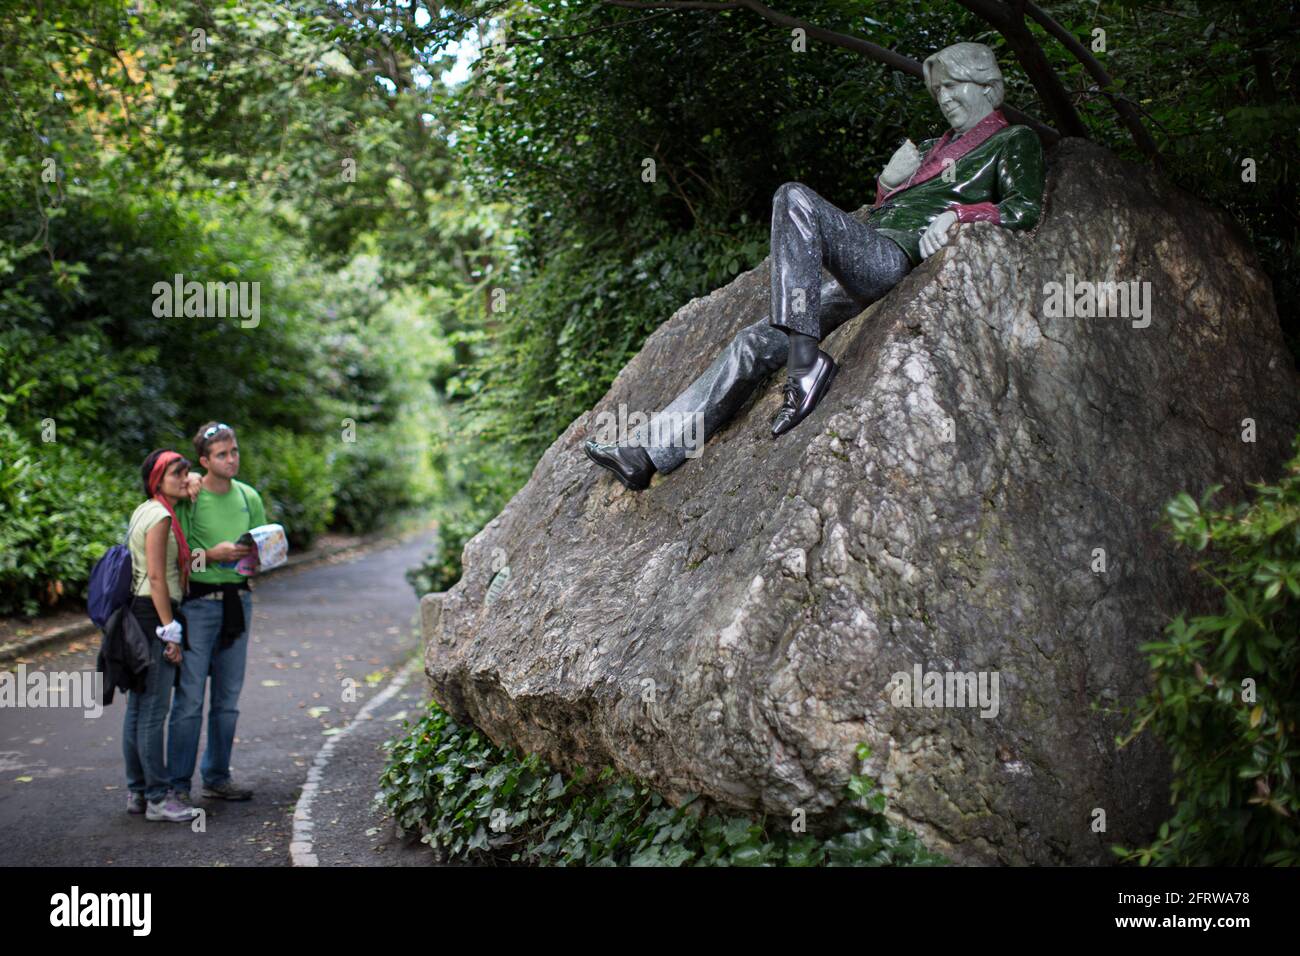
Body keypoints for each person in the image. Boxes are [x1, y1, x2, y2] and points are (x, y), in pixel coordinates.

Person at [583, 41, 1046, 490]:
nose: (944, 98)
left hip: (895, 260)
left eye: (954, 86)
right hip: (866, 264)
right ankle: (645, 454)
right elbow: (888, 208)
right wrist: (887, 183)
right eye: (938, 90)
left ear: (987, 86)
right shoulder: (930, 147)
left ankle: (806, 366)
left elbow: (1024, 208)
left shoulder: (1012, 140)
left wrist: (958, 214)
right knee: (752, 342)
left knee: (793, 196)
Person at [167, 421, 266, 804]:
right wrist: (212, 555)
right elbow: (177, 557)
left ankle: (217, 775)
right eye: (222, 455)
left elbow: (259, 546)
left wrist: (257, 558)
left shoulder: (248, 497)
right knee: (190, 699)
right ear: (204, 461)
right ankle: (177, 784)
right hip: (198, 605)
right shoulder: (191, 496)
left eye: (235, 452)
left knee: (227, 700)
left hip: (238, 601)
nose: (231, 459)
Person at [122, 449, 200, 822]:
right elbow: (156, 577)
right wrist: (170, 632)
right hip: (154, 614)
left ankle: (137, 792)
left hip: (138, 613)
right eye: (176, 473)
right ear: (157, 479)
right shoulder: (161, 516)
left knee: (138, 708)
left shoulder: (145, 509)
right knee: (154, 711)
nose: (184, 478)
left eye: (186, 471)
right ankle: (157, 798)